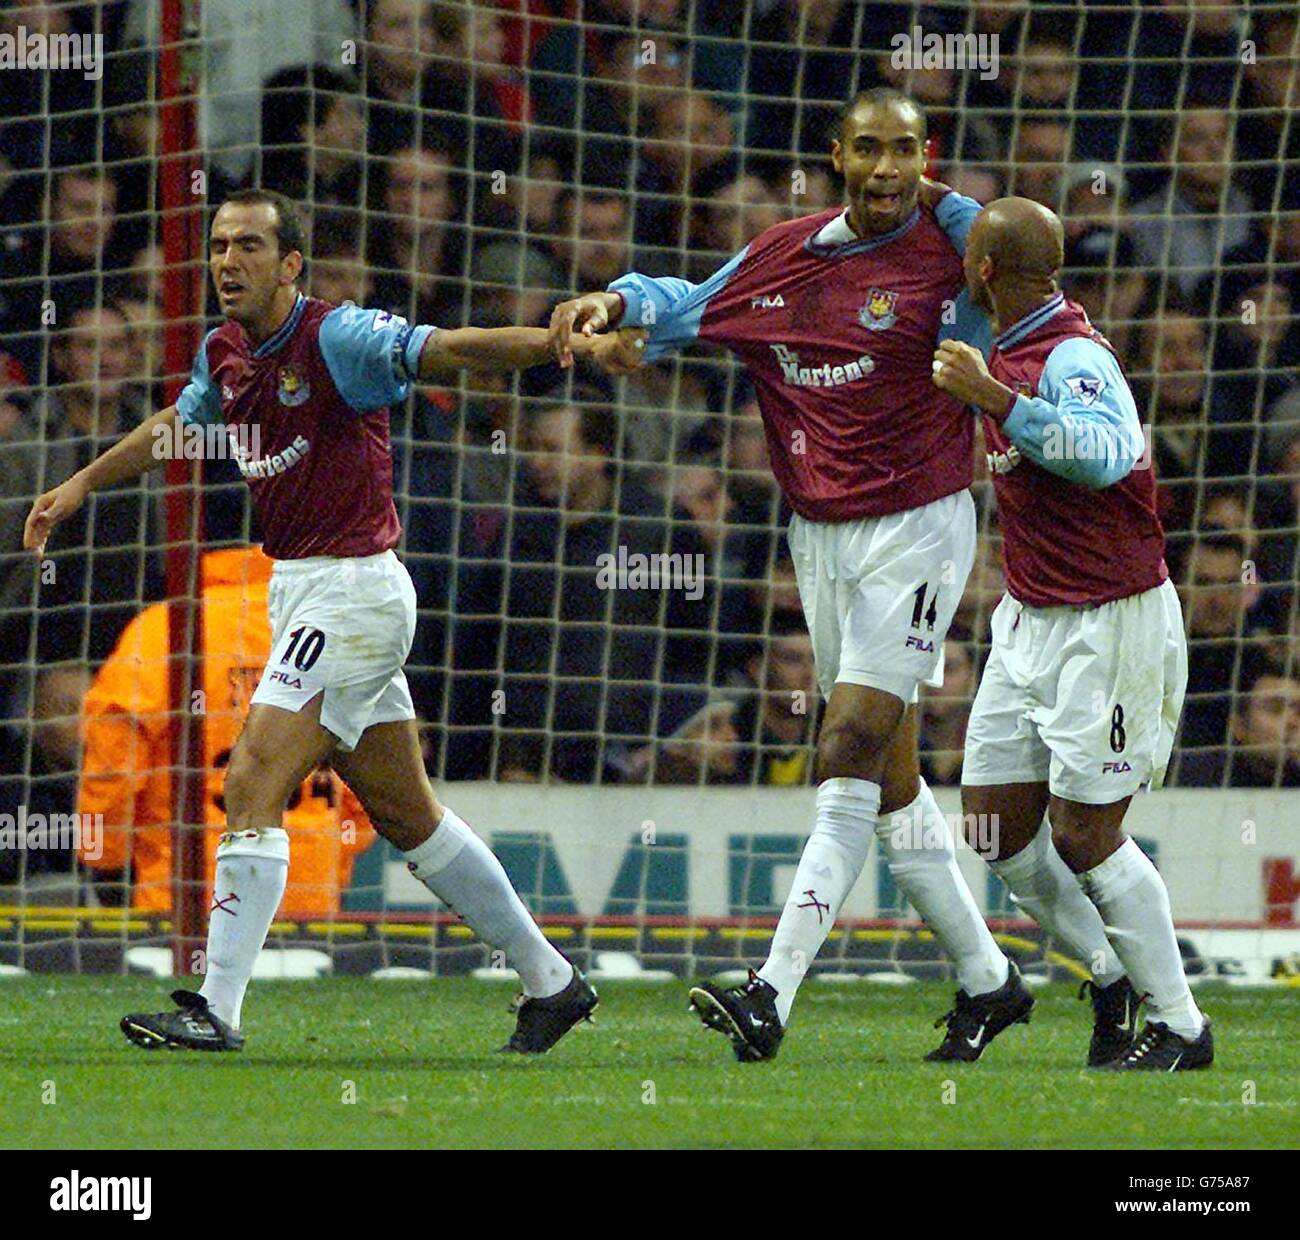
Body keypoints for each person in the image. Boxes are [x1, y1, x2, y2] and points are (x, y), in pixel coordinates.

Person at [22, 188, 636, 1055]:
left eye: (248, 246)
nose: (227, 261)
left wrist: (555, 341)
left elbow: (448, 351)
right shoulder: (225, 352)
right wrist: (82, 484)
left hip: (355, 591)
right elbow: (177, 423)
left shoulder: (338, 338)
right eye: (219, 245)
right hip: (304, 591)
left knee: (251, 782)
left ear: (291, 264)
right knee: (406, 811)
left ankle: (217, 1007)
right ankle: (553, 982)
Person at [559, 88, 1024, 1064]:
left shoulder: (955, 248)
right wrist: (616, 300)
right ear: (835, 155)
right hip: (817, 537)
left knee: (846, 739)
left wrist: (955, 207)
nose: (887, 168)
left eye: (906, 150)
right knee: (889, 779)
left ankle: (770, 991)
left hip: (922, 524)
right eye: (868, 149)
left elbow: (1020, 239)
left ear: (926, 156)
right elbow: (682, 306)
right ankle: (989, 980)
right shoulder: (780, 257)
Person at [932, 195, 1213, 1071]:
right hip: (1029, 618)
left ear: (982, 272)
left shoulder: (1073, 356)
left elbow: (1103, 455)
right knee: (994, 826)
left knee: (1085, 835)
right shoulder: (1014, 342)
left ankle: (1183, 1027)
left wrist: (995, 398)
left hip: (1111, 620)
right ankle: (1109, 966)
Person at [77, 546, 378, 916]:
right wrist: (331, 858)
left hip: (185, 904)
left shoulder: (162, 631)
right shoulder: (333, 632)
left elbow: (112, 772)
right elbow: (369, 787)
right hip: (307, 900)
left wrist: (104, 857)